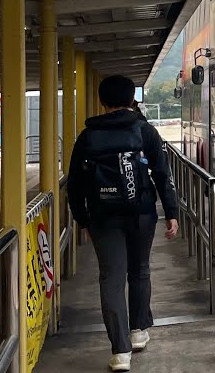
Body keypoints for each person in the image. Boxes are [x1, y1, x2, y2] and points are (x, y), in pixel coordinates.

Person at [67, 75, 180, 372]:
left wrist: (83, 220)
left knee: (111, 278)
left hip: (103, 217)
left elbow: (75, 184)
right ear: (133, 100)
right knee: (139, 270)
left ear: (102, 101)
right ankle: (139, 331)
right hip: (142, 213)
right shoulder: (145, 131)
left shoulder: (87, 136)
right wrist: (171, 213)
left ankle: (120, 352)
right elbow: (162, 176)